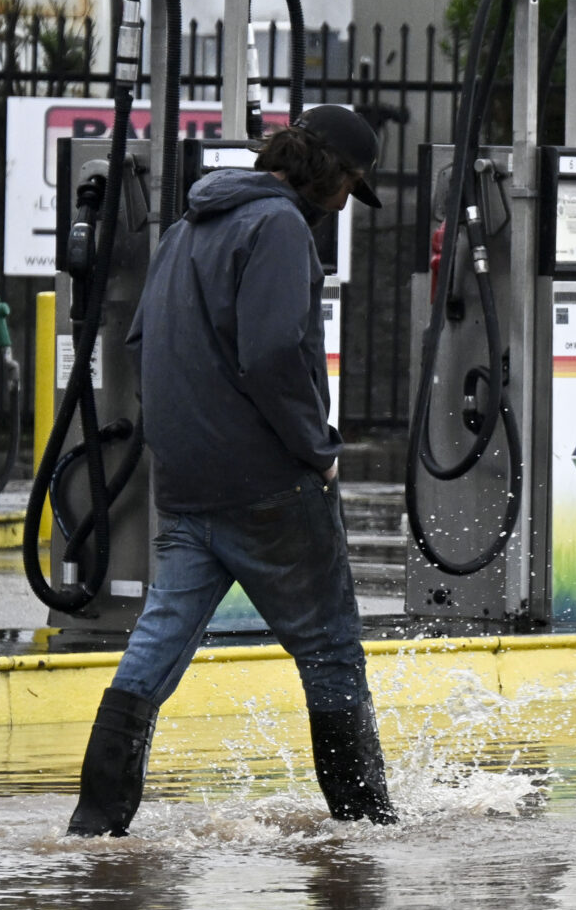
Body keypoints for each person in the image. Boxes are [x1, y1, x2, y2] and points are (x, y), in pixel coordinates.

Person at [67, 103, 397, 836]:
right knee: (331, 648)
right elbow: (276, 353)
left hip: (185, 485)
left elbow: (143, 339)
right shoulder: (279, 226)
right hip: (269, 485)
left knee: (155, 648)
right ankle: (368, 829)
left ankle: (96, 825)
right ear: (326, 173)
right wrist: (318, 449)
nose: (345, 203)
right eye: (349, 185)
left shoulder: (186, 229)